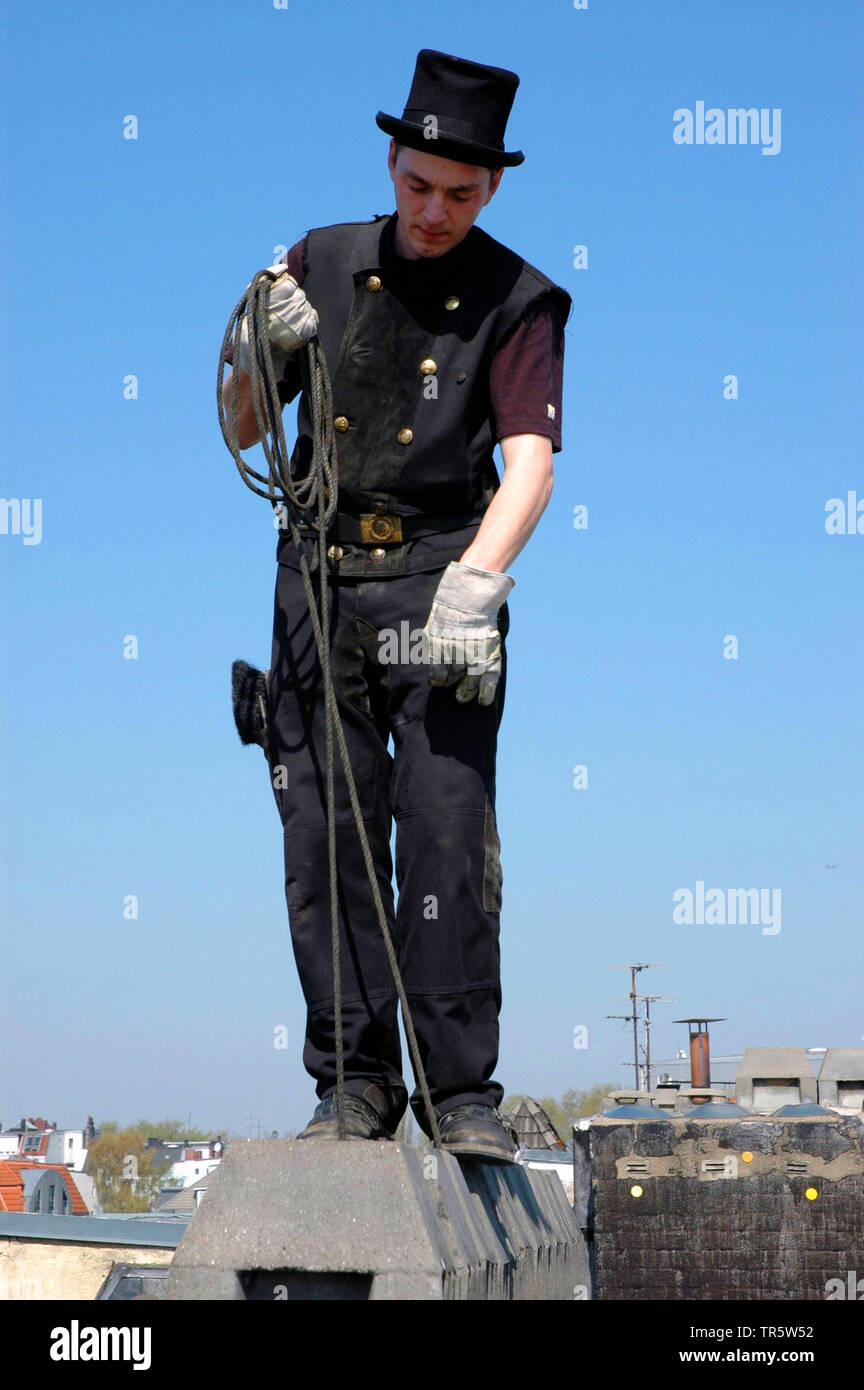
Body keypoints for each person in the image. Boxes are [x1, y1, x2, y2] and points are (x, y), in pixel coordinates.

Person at [222, 50, 571, 1162]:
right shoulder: (313, 265)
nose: (434, 211)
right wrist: (251, 355)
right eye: (419, 185)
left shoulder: (520, 300)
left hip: (444, 582)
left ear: (494, 189)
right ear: (392, 159)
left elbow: (531, 464)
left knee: (446, 834)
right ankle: (356, 1085)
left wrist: (479, 584)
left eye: (460, 194)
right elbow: (242, 427)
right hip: (316, 579)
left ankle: (462, 1096)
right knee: (326, 839)